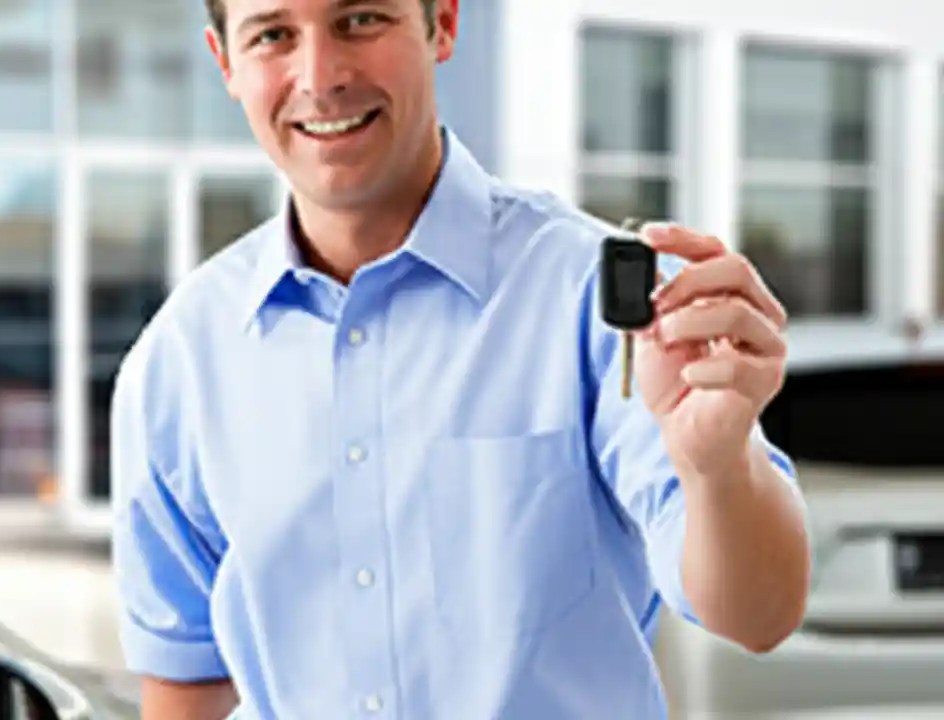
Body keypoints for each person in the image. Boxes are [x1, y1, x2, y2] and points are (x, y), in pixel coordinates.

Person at [109, 0, 812, 717]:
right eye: (273, 35)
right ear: (226, 61)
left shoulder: (602, 304)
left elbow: (757, 618)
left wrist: (717, 466)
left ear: (442, 23)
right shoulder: (180, 358)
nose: (320, 77)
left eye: (360, 20)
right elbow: (185, 683)